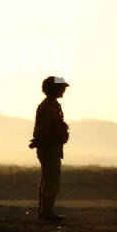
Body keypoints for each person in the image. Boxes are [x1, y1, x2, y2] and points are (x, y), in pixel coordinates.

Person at [29, 76, 70, 222]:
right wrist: (40, 141)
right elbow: (46, 130)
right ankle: (47, 213)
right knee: (51, 180)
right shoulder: (48, 107)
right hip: (49, 148)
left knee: (49, 180)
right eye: (61, 88)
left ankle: (46, 212)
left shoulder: (51, 105)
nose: (63, 90)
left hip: (51, 147)